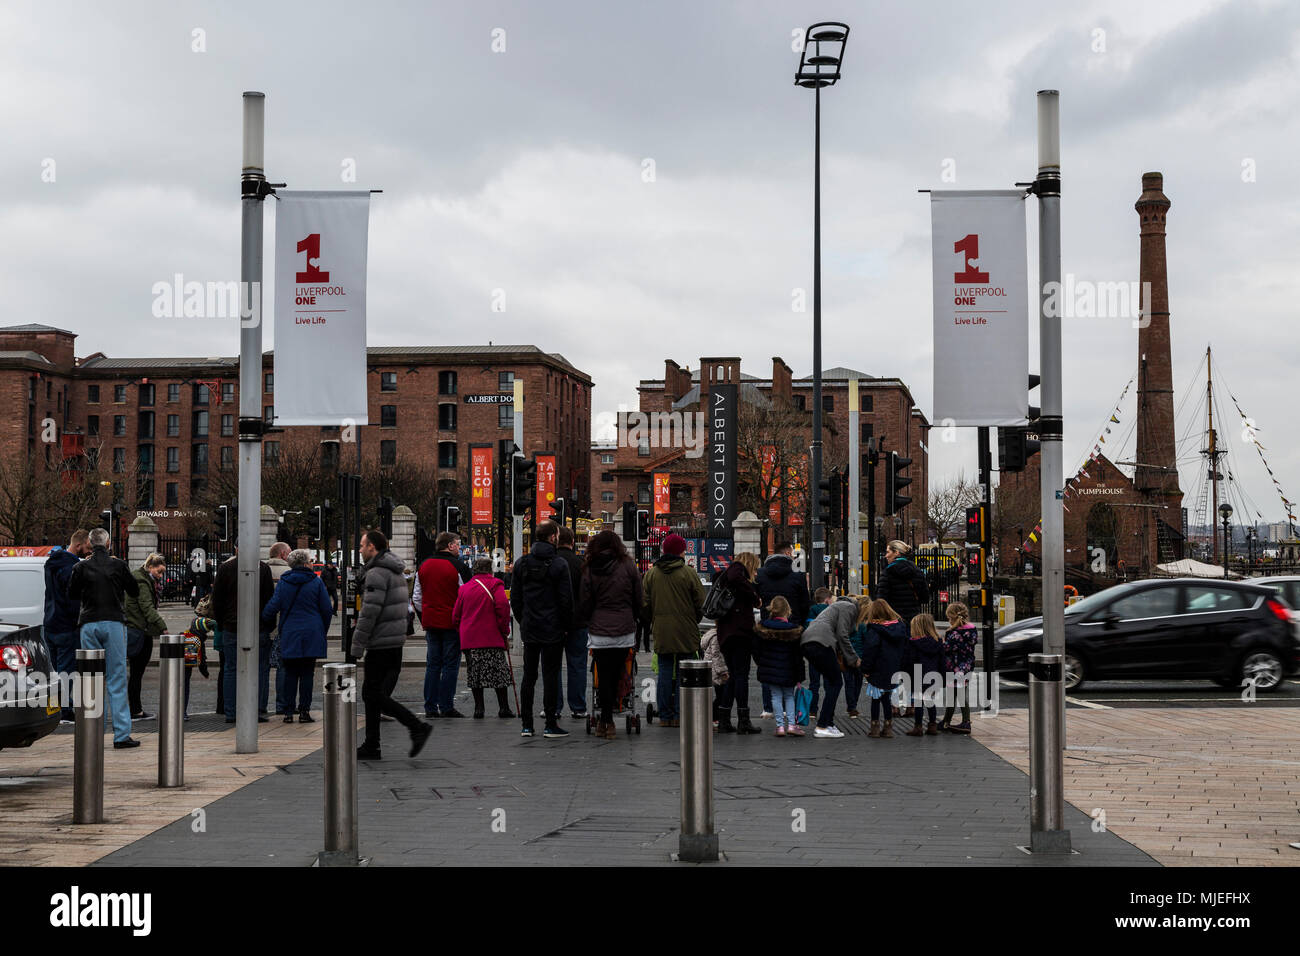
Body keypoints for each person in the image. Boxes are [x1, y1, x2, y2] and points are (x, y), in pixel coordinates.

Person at [354, 530, 432, 759]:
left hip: (380, 641)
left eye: (362, 545)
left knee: (372, 693)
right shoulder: (394, 570)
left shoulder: (377, 573)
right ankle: (372, 744)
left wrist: (357, 643)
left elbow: (369, 612)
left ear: (372, 547)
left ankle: (416, 726)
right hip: (393, 640)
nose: (359, 550)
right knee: (373, 693)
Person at [67, 527, 140, 749]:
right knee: (116, 677)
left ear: (90, 544)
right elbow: (134, 591)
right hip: (114, 622)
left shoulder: (80, 567)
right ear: (108, 544)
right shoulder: (119, 565)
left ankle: (93, 732)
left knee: (91, 679)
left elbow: (71, 593)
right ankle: (121, 734)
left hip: (89, 623)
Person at [509, 520, 573, 738]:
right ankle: (550, 723)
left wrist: (523, 620)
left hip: (530, 626)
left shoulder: (521, 564)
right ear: (553, 537)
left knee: (529, 675)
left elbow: (515, 599)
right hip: (553, 627)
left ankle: (526, 724)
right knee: (550, 675)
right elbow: (566, 600)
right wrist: (565, 626)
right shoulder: (559, 564)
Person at [578, 529, 642, 739]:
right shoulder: (628, 566)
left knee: (603, 675)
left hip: (600, 630)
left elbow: (585, 600)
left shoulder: (590, 567)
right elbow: (637, 597)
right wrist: (634, 616)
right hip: (623, 629)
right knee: (618, 672)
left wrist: (589, 619)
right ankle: (611, 716)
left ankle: (605, 721)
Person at [261, 548, 332, 722]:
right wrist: (322, 629)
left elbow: (271, 608)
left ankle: (288, 712)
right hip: (312, 631)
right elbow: (326, 609)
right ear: (306, 563)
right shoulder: (316, 582)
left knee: (290, 673)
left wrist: (266, 622)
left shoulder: (285, 582)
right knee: (307, 673)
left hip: (290, 632)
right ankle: (304, 712)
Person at [642, 533, 704, 729]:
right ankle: (680, 714)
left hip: (662, 630)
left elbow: (645, 603)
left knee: (665, 672)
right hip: (686, 629)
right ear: (681, 551)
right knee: (685, 673)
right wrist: (693, 618)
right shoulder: (688, 572)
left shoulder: (652, 574)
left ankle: (666, 716)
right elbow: (700, 602)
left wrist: (653, 620)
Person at [211, 546, 274, 723]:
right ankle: (259, 709)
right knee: (260, 669)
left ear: (236, 548)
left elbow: (217, 599)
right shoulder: (263, 568)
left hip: (231, 626)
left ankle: (231, 712)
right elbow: (269, 597)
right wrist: (267, 624)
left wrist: (222, 623)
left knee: (231, 669)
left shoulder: (225, 568)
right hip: (258, 626)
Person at [415, 532, 472, 718]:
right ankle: (446, 705)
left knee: (433, 664)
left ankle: (430, 707)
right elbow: (466, 596)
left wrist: (424, 615)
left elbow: (416, 598)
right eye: (458, 544)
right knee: (450, 665)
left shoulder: (423, 566)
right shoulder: (459, 566)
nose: (459, 547)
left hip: (431, 622)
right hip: (452, 622)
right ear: (449, 546)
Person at [450, 557, 514, 719]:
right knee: (498, 673)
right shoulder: (495, 584)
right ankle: (503, 707)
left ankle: (479, 709)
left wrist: (463, 630)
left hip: (470, 639)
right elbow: (503, 607)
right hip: (491, 637)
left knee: (475, 673)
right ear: (490, 570)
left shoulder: (464, 589)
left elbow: (456, 615)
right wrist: (504, 630)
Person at [755, 540, 811, 717]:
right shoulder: (798, 575)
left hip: (768, 626)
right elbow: (805, 604)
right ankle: (788, 707)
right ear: (787, 553)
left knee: (768, 664)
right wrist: (799, 623)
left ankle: (768, 708)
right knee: (790, 663)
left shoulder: (761, 574)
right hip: (791, 627)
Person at [799, 596, 863, 738]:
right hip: (821, 643)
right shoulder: (849, 607)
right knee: (836, 682)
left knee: (831, 681)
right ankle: (823, 725)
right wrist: (854, 658)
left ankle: (829, 722)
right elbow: (842, 635)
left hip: (808, 642)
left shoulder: (835, 607)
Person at [713, 551, 762, 734]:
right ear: (748, 564)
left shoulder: (728, 579)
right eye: (755, 569)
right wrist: (755, 598)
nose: (755, 574)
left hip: (726, 634)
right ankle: (743, 720)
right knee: (741, 676)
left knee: (733, 676)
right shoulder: (736, 571)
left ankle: (724, 718)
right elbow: (736, 576)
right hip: (739, 634)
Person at [43, 530, 89, 723]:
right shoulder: (71, 567)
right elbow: (72, 597)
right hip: (66, 625)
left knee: (54, 670)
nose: (88, 551)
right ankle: (64, 710)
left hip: (50, 622)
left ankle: (54, 706)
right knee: (66, 670)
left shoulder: (51, 563)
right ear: (78, 545)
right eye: (87, 547)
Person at [123, 553, 168, 720]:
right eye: (159, 571)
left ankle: (136, 709)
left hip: (138, 629)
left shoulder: (141, 578)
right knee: (136, 672)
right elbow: (147, 608)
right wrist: (162, 627)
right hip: (139, 630)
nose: (160, 575)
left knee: (136, 672)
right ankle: (135, 710)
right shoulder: (142, 582)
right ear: (150, 567)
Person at [753, 596, 805, 737]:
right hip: (789, 669)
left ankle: (780, 726)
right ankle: (792, 726)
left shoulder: (763, 628)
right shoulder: (794, 631)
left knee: (775, 696)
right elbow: (798, 655)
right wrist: (800, 673)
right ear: (787, 611)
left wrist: (762, 663)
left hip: (770, 668)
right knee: (789, 696)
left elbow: (756, 650)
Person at [553, 526, 589, 720]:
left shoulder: (551, 561)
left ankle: (554, 705)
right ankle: (578, 706)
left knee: (553, 666)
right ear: (572, 541)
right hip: (578, 621)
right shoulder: (580, 563)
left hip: (554, 622)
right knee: (577, 665)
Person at [861, 599, 909, 739]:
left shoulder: (874, 629)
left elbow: (870, 650)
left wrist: (866, 669)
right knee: (887, 699)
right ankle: (888, 728)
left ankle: (875, 728)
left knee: (876, 699)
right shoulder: (900, 627)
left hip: (877, 668)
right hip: (893, 669)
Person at [902, 613, 944, 737]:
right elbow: (942, 661)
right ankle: (932, 726)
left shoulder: (913, 643)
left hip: (917, 675)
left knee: (919, 702)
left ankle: (918, 726)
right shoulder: (938, 642)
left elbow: (909, 661)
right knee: (930, 701)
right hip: (933, 676)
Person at [941, 602, 977, 734]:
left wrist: (941, 642)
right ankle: (946, 721)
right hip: (967, 667)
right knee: (959, 694)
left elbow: (947, 649)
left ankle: (965, 722)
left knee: (955, 695)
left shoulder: (954, 633)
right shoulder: (971, 630)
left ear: (952, 617)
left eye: (949, 618)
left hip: (954, 668)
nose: (948, 620)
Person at [879, 540, 929, 627]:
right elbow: (925, 597)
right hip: (913, 619)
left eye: (888, 552)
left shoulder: (888, 572)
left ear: (896, 553)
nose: (886, 556)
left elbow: (881, 600)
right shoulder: (917, 571)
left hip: (894, 619)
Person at [182, 598, 214, 719]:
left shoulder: (188, 633)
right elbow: (202, 659)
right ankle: (182, 711)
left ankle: (180, 711)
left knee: (182, 683)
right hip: (185, 664)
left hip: (179, 660)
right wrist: (205, 672)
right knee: (184, 684)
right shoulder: (197, 640)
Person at [803, 586, 833, 716]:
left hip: (813, 650)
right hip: (828, 649)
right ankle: (828, 711)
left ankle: (812, 710)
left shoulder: (811, 611)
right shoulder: (831, 611)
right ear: (827, 600)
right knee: (829, 683)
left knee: (814, 683)